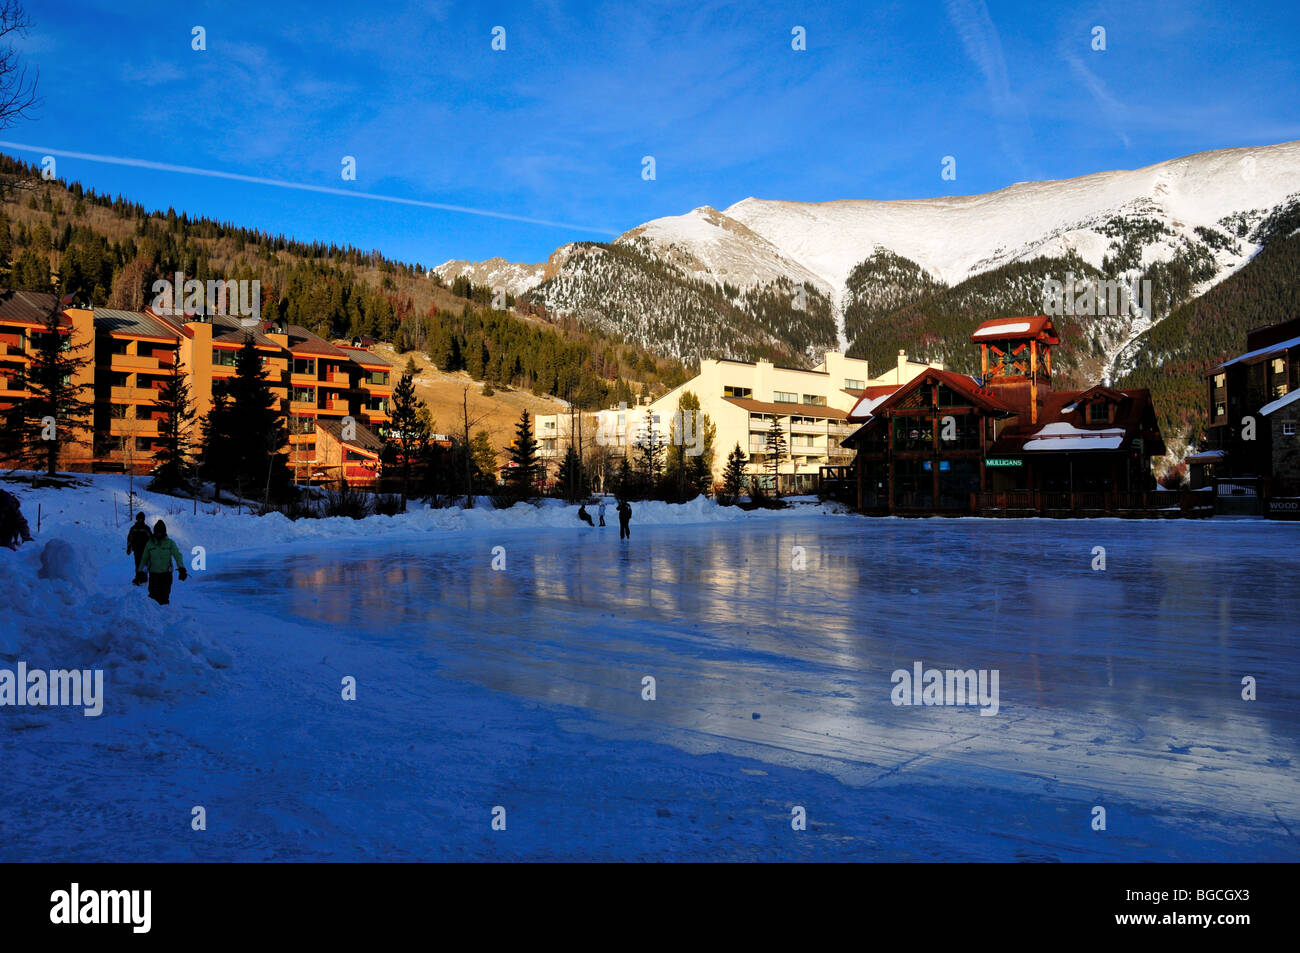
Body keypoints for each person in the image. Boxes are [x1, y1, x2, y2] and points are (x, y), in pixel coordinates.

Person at [134, 519, 187, 605]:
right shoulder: (150, 544)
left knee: (164, 598)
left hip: (166, 575)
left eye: (160, 532)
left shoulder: (170, 543)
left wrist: (182, 569)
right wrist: (140, 572)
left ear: (164, 532)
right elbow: (144, 559)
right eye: (157, 532)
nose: (158, 534)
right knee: (152, 599)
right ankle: (153, 617)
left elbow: (177, 555)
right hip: (153, 575)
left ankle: (165, 616)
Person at [126, 512, 151, 578]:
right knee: (137, 564)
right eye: (139, 519)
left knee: (144, 564)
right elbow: (129, 538)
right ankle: (138, 577)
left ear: (143, 519)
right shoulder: (133, 528)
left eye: (141, 519)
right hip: (136, 550)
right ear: (137, 519)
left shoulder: (146, 529)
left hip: (145, 550)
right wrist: (129, 547)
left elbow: (151, 539)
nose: (140, 520)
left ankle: (144, 577)